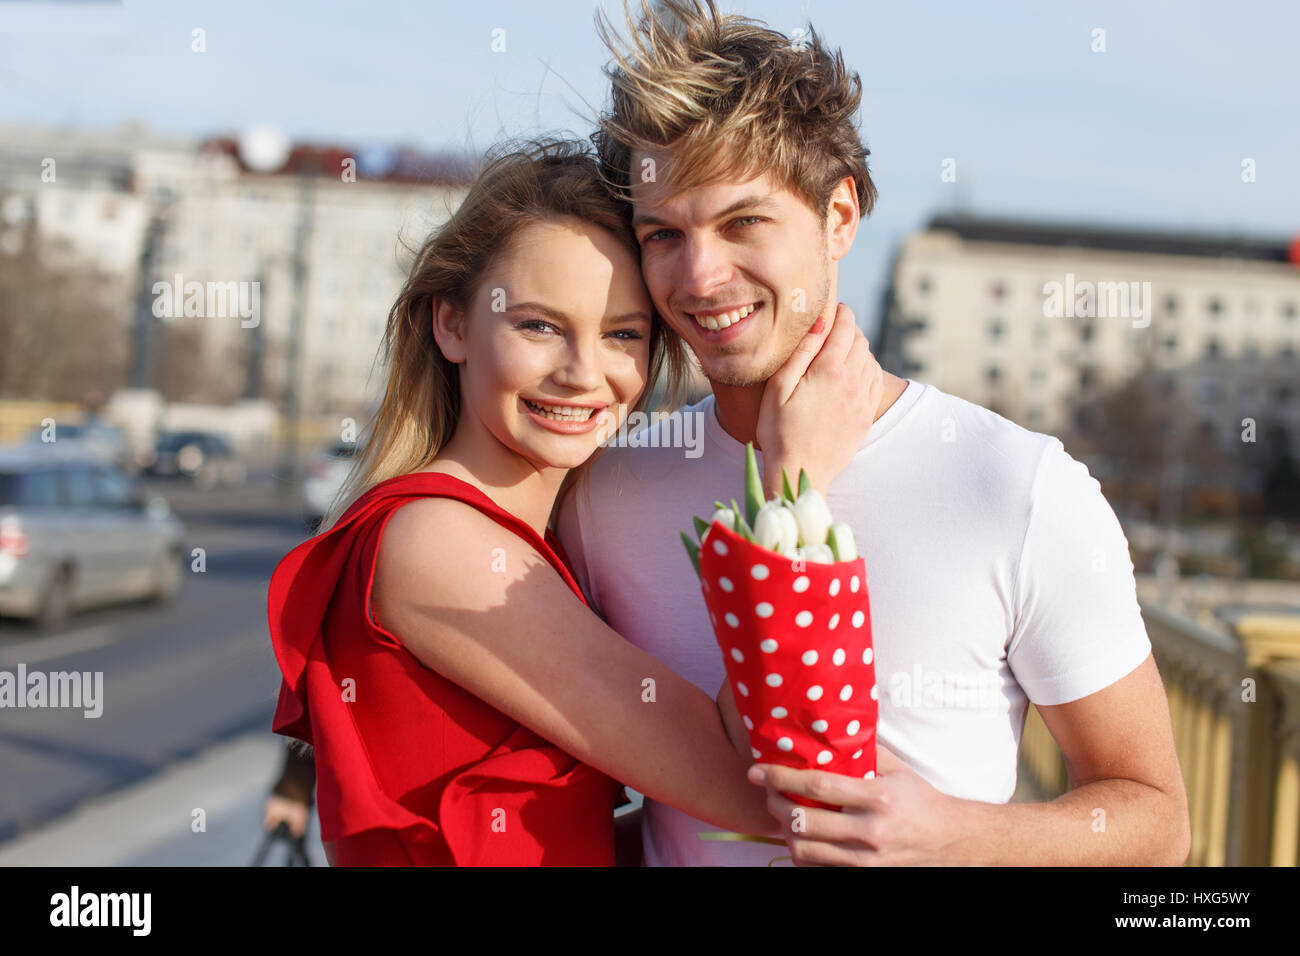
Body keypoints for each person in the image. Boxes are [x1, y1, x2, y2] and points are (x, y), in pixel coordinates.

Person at [556, 0, 1191, 866]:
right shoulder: (606, 492)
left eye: (744, 223)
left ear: (840, 218)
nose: (700, 275)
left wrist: (956, 834)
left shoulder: (1015, 485)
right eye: (663, 234)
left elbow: (1157, 822)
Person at [266, 137, 882, 865]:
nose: (583, 374)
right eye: (539, 326)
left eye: (623, 334)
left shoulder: (536, 544)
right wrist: (791, 485)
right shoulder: (437, 542)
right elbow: (757, 793)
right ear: (452, 323)